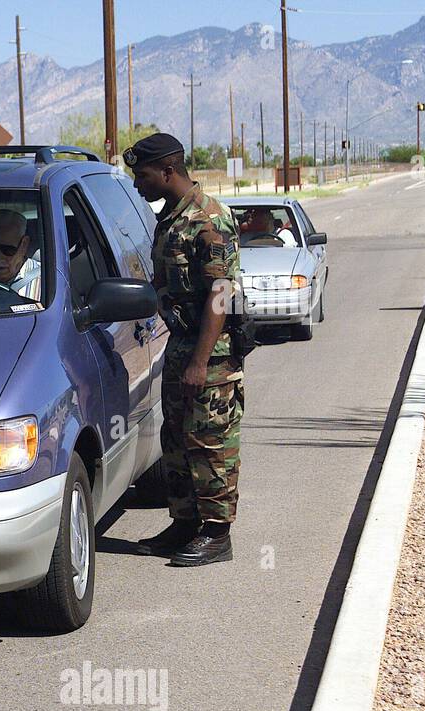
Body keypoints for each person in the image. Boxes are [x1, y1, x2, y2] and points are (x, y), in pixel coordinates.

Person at [126, 133, 244, 567]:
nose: (138, 184)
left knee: (210, 442)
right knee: (176, 439)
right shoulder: (171, 218)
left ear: (167, 172)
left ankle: (217, 534)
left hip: (210, 356)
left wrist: (199, 360)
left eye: (142, 176)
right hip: (182, 348)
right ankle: (185, 522)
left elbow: (221, 292)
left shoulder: (209, 218)